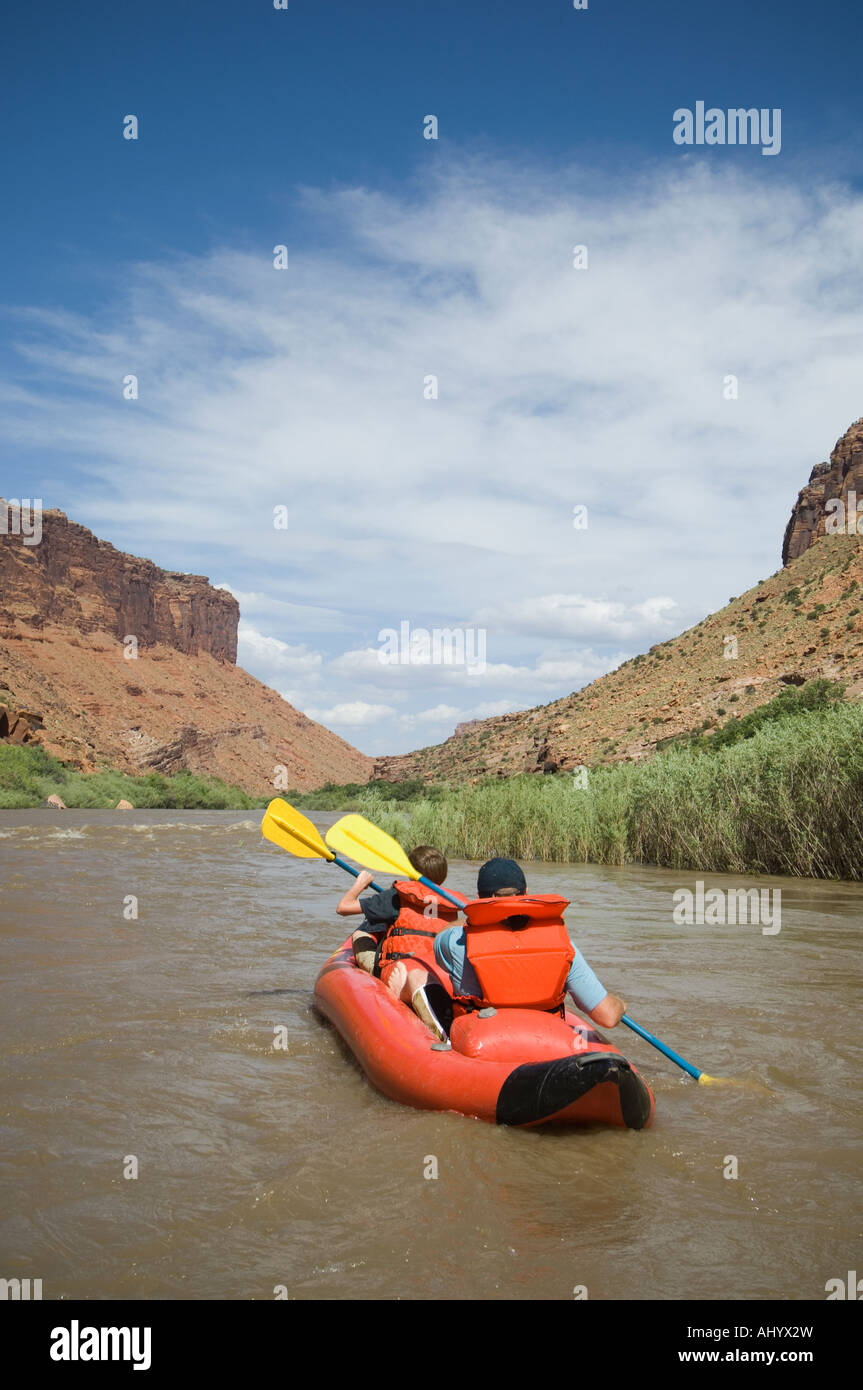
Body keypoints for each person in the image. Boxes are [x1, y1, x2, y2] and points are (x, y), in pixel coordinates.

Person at [433, 857, 626, 1028]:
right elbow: (608, 1017)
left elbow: (440, 934)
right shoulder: (564, 946)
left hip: (484, 1044)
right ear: (526, 893)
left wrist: (473, 919)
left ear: (478, 898)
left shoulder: (454, 943)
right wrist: (621, 1005)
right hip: (546, 1044)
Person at [335, 846, 463, 1041]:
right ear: (443, 875)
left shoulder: (395, 897)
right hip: (436, 969)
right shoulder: (451, 902)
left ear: (411, 873)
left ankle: (385, 980)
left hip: (396, 968)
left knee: (361, 933)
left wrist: (360, 883)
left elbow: (343, 908)